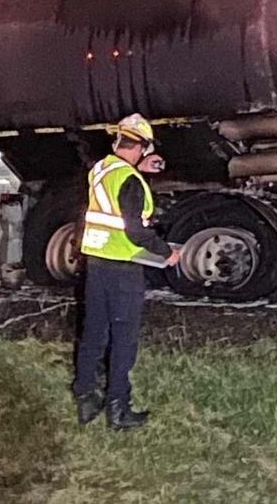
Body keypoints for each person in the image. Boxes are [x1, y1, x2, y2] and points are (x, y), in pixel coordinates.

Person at [72, 113, 182, 430]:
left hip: (96, 263)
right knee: (123, 339)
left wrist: (139, 168)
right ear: (143, 147)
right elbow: (134, 230)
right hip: (123, 268)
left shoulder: (101, 169)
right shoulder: (131, 181)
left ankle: (85, 397)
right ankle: (119, 409)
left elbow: (113, 198)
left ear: (118, 141)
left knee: (94, 332)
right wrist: (167, 252)